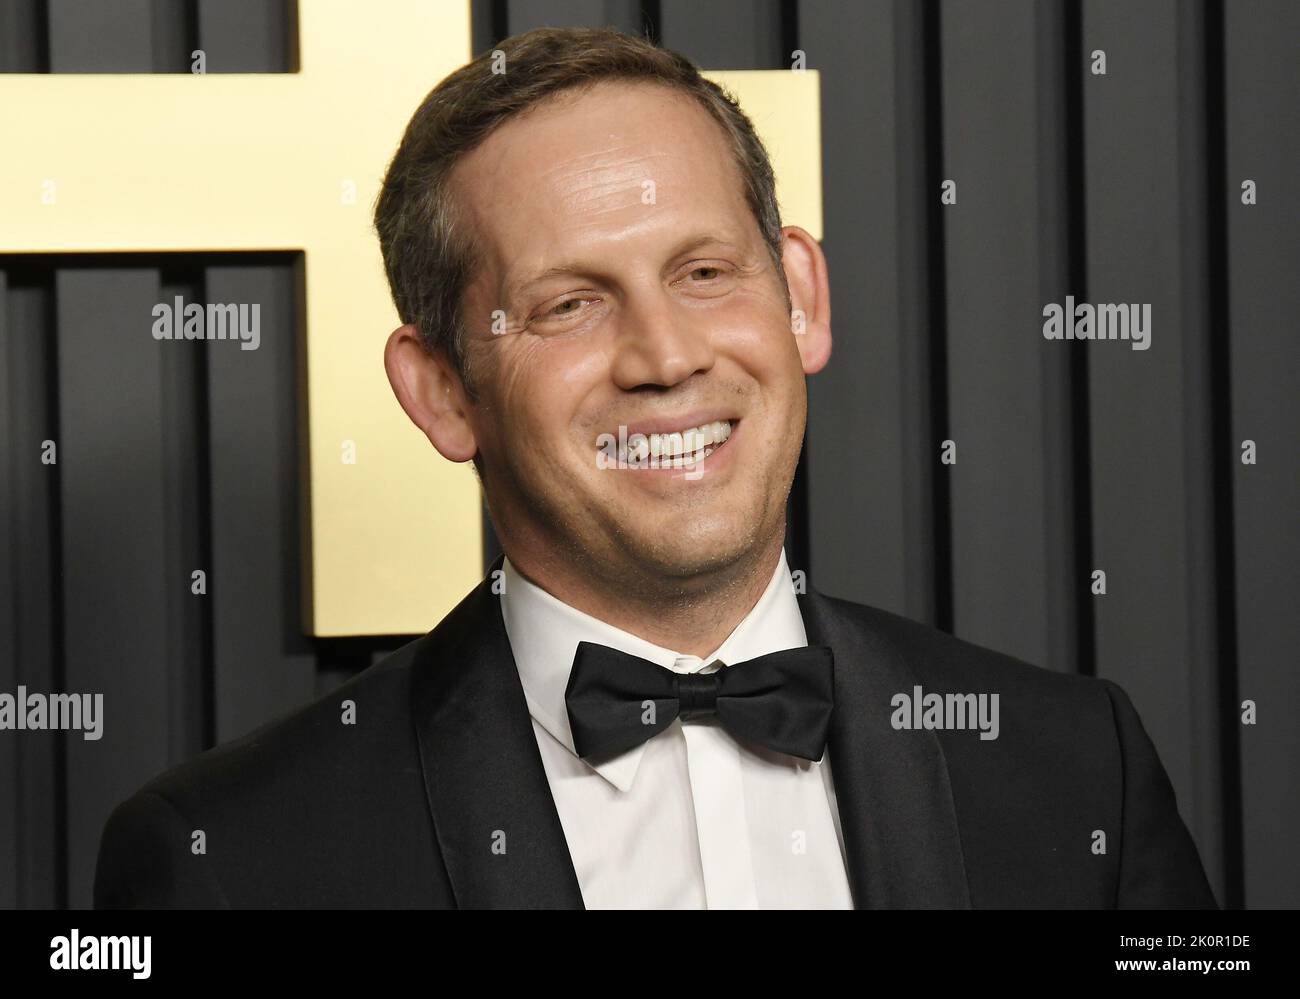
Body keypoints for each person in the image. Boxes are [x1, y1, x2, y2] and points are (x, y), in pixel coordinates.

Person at [94, 26, 1216, 909]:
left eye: (704, 273)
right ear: (441, 391)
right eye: (569, 304)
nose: (667, 357)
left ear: (800, 296)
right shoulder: (227, 861)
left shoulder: (1079, 767)